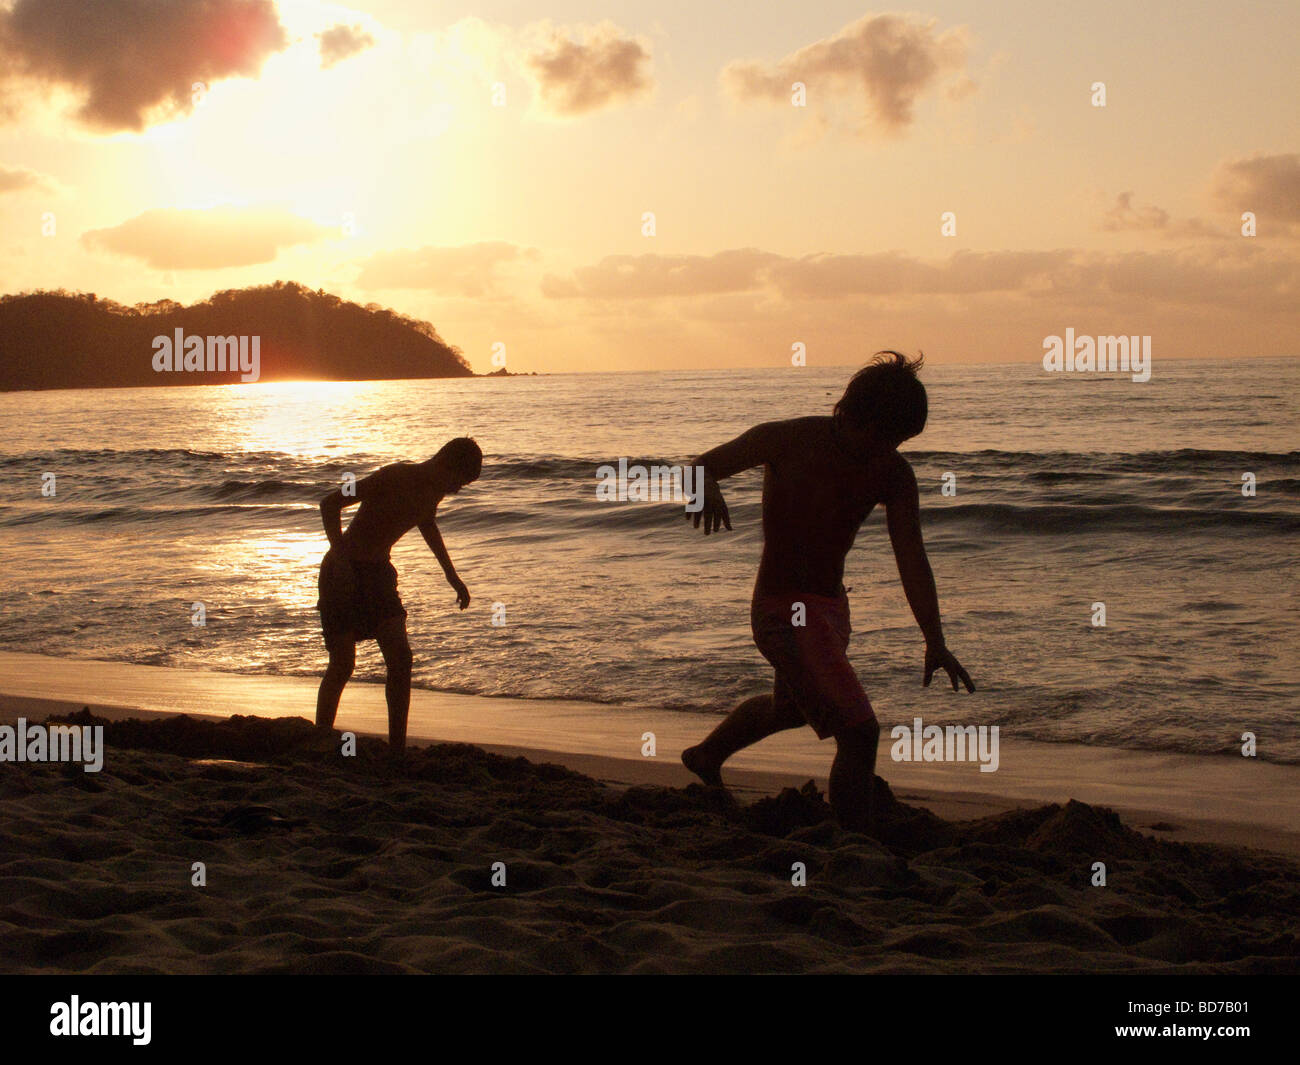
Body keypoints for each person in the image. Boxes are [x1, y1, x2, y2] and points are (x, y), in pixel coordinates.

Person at [680, 352, 973, 833]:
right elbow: (700, 468)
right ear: (853, 415)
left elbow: (912, 557)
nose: (889, 449)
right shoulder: (789, 438)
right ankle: (854, 843)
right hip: (783, 611)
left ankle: (705, 756)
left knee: (789, 708)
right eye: (883, 436)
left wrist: (935, 639)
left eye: (899, 441)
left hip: (833, 610)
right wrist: (703, 489)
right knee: (860, 733)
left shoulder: (893, 473)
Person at [314, 437, 482, 752]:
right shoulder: (392, 477)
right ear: (444, 463)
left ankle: (397, 748)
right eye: (458, 481)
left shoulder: (434, 491)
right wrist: (340, 559)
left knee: (401, 659)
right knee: (342, 664)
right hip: (342, 573)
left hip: (379, 576)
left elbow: (427, 523)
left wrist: (452, 576)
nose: (457, 490)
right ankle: (320, 737)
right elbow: (329, 503)